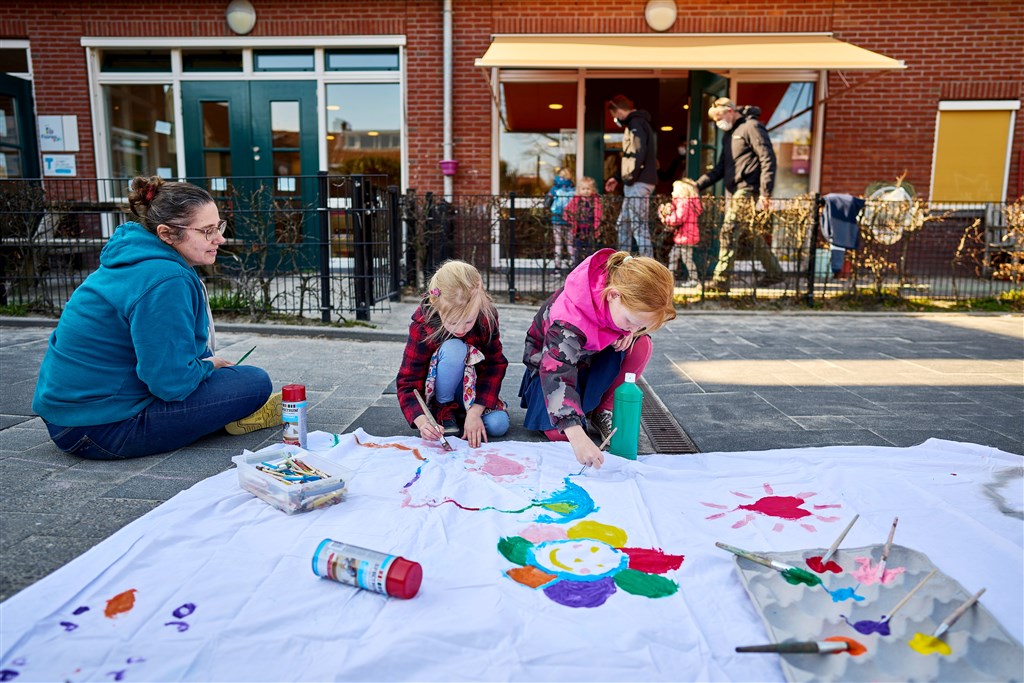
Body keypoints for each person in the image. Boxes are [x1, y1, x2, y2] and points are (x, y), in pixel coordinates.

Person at [32, 177, 278, 459]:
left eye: (219, 226)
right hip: (103, 429)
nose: (220, 239)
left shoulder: (137, 258)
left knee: (210, 362)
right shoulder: (165, 279)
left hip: (68, 417)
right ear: (166, 233)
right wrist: (209, 366)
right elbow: (170, 383)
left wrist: (203, 362)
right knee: (254, 382)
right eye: (207, 231)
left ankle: (221, 409)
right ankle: (230, 412)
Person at [519, 249, 676, 469]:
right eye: (631, 321)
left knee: (641, 345)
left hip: (589, 360)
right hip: (550, 374)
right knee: (560, 433)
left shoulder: (620, 297)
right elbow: (556, 372)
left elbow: (628, 322)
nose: (634, 327)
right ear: (613, 295)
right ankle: (579, 414)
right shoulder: (569, 320)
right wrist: (576, 433)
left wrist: (630, 332)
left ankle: (603, 409)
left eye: (640, 325)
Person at [396, 260, 509, 448]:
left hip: (471, 391)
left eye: (468, 322)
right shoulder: (423, 325)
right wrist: (423, 422)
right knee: (455, 348)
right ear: (436, 303)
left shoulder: (486, 318)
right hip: (439, 392)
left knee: (498, 425)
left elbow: (495, 365)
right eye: (453, 321)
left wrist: (475, 412)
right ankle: (444, 409)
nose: (460, 329)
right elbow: (408, 382)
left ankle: (464, 414)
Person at [695, 97, 784, 292]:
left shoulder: (751, 127)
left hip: (747, 189)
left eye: (719, 117)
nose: (718, 122)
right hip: (734, 191)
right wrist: (696, 186)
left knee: (728, 230)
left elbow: (767, 158)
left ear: (730, 111)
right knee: (751, 235)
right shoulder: (729, 135)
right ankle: (775, 273)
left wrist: (765, 192)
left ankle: (721, 281)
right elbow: (719, 168)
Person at [603, 95, 658, 256]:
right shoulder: (637, 123)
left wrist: (628, 178)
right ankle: (621, 264)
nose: (615, 119)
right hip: (635, 182)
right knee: (624, 225)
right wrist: (618, 178)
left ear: (618, 111)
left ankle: (649, 270)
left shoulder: (635, 124)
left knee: (639, 227)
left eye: (614, 115)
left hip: (637, 184)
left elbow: (636, 154)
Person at [659, 179, 703, 286]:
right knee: (674, 256)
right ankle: (670, 279)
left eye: (674, 191)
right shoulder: (690, 202)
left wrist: (666, 218)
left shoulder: (683, 203)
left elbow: (678, 219)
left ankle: (693, 279)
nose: (672, 193)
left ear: (681, 191)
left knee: (685, 258)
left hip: (685, 236)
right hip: (687, 235)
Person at [563, 176, 604, 265]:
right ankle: (578, 268)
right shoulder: (575, 200)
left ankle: (588, 268)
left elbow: (599, 214)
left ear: (592, 190)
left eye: (588, 189)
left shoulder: (595, 201)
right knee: (578, 250)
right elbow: (567, 212)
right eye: (583, 189)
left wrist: (598, 226)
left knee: (590, 251)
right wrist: (571, 221)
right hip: (578, 230)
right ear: (579, 190)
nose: (586, 191)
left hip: (591, 230)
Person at [545, 169, 575, 270]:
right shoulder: (572, 188)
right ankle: (572, 266)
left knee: (558, 244)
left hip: (557, 219)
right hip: (570, 220)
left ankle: (557, 267)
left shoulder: (554, 188)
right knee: (570, 243)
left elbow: (547, 202)